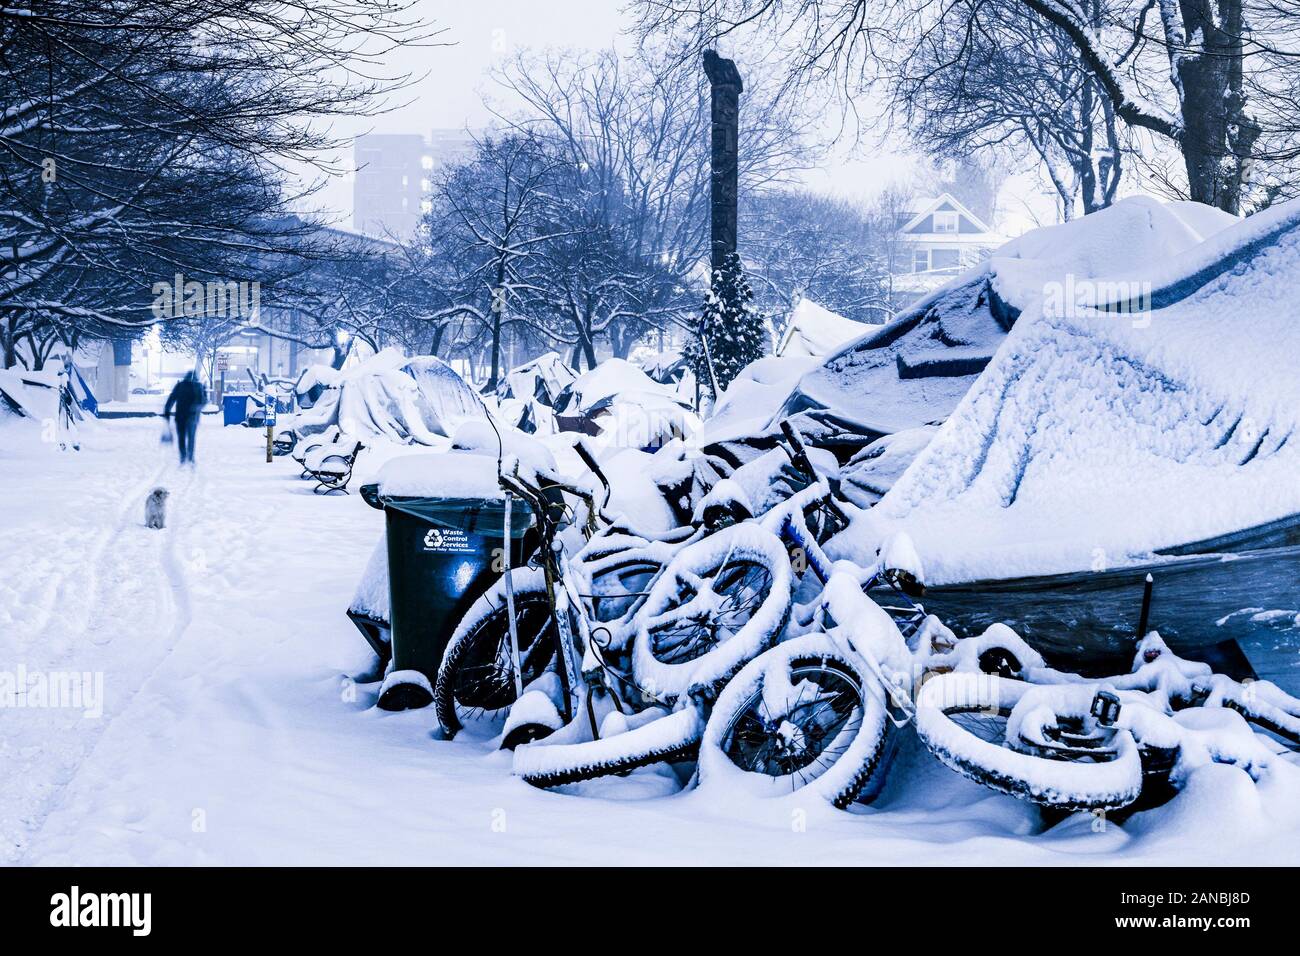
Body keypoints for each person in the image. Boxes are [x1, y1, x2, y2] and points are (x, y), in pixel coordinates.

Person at [164, 371, 207, 465]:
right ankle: (190, 457)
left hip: (180, 416)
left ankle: (183, 456)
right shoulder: (198, 386)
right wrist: (204, 391)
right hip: (192, 416)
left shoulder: (180, 386)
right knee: (191, 437)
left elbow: (171, 399)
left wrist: (167, 411)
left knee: (181, 437)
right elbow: (203, 401)